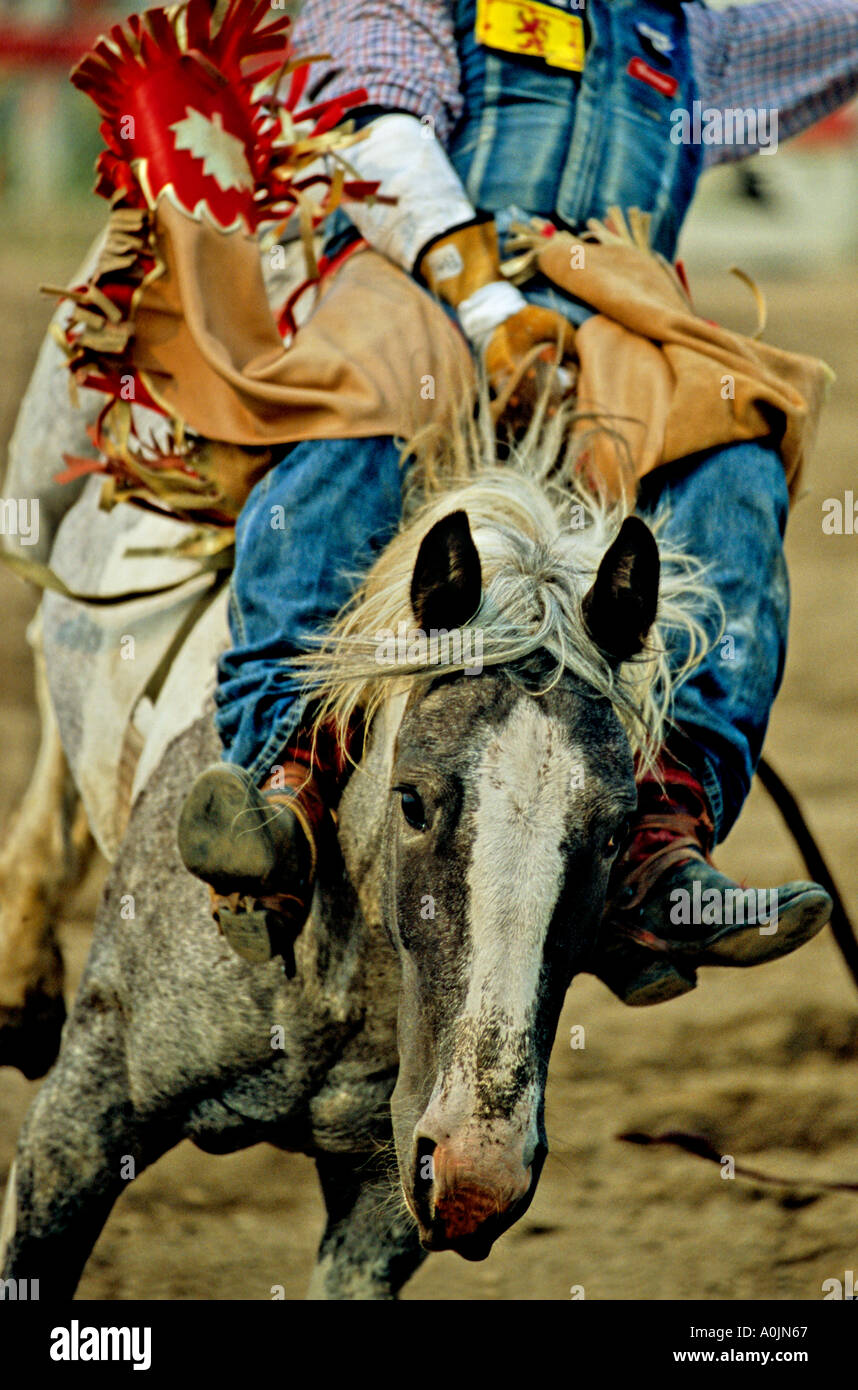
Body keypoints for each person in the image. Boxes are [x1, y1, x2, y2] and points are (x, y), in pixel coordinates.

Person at [178, 0, 858, 1004]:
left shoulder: (685, 30)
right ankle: (290, 781)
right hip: (426, 277)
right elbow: (377, 132)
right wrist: (492, 310)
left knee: (736, 458)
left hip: (610, 308)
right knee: (359, 399)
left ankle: (659, 840)